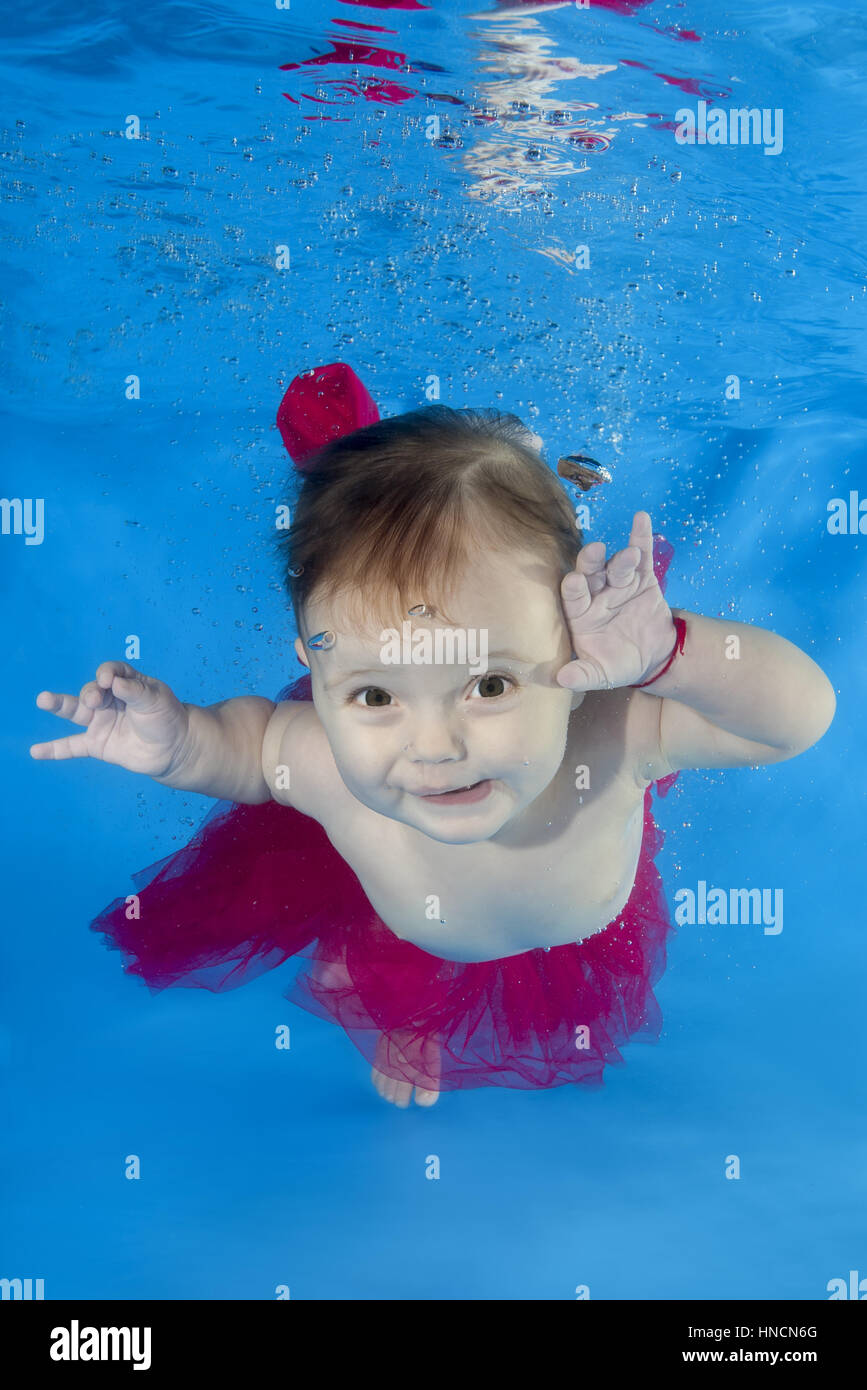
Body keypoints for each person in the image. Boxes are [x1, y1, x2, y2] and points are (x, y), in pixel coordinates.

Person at [30, 364, 836, 1107]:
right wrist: (180, 746)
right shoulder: (325, 763)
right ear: (314, 668)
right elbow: (250, 751)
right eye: (375, 694)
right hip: (409, 913)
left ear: (571, 649)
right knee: (393, 959)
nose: (434, 747)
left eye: (488, 685)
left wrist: (667, 657)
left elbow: (794, 718)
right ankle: (406, 1021)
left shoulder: (617, 732)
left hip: (580, 899)